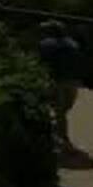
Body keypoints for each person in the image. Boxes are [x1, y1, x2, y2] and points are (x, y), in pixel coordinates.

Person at [37, 21, 82, 152]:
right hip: (70, 81)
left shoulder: (46, 45)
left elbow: (40, 61)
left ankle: (58, 137)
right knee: (61, 111)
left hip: (57, 81)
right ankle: (61, 138)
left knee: (59, 111)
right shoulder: (74, 45)